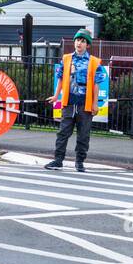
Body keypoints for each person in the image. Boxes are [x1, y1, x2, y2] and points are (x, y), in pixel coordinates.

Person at [45, 29, 108, 172]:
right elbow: (60, 78)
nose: (79, 43)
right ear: (74, 42)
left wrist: (95, 103)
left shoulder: (94, 62)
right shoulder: (66, 58)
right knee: (63, 132)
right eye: (78, 40)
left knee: (83, 134)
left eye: (83, 41)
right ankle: (58, 160)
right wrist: (56, 96)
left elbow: (97, 84)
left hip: (84, 103)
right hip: (69, 102)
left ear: (88, 45)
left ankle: (79, 161)